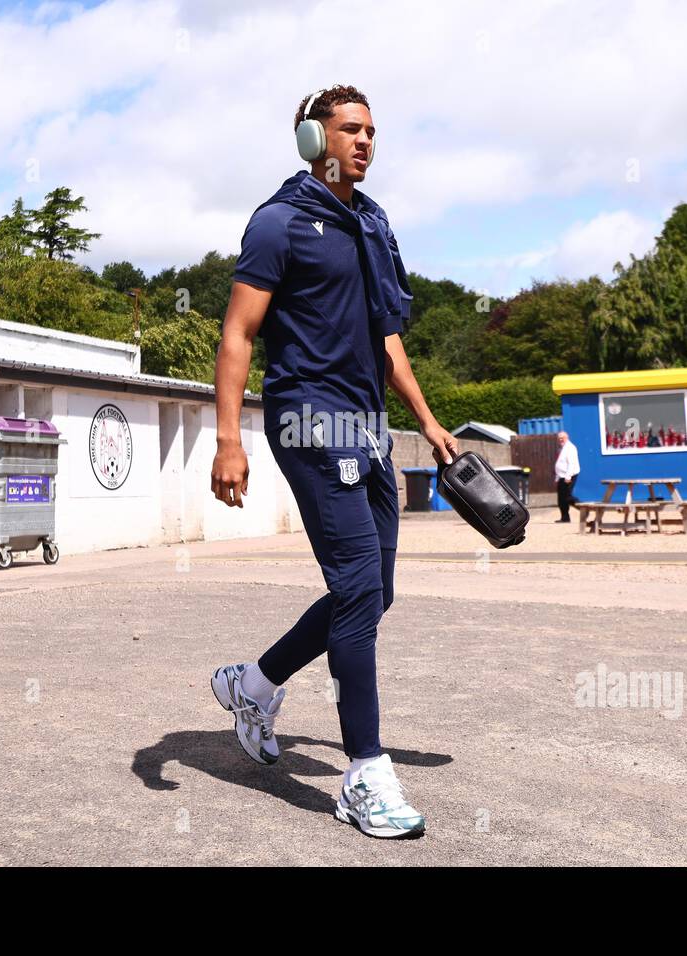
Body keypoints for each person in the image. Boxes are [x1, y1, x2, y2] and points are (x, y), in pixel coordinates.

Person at [208, 85, 459, 839]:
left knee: (373, 592)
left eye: (372, 131)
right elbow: (238, 336)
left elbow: (388, 339)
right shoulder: (278, 222)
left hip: (368, 424)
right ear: (312, 139)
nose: (364, 142)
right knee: (354, 586)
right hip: (308, 419)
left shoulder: (373, 224)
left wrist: (427, 419)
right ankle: (365, 774)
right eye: (349, 129)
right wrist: (228, 439)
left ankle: (251, 685)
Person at [555, 430, 579, 522]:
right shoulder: (562, 448)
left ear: (567, 438)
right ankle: (565, 517)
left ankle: (583, 507)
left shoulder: (570, 448)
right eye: (559, 438)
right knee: (561, 499)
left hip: (568, 476)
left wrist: (568, 477)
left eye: (562, 438)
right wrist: (557, 477)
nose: (561, 439)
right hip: (561, 476)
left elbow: (571, 464)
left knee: (567, 497)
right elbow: (559, 463)